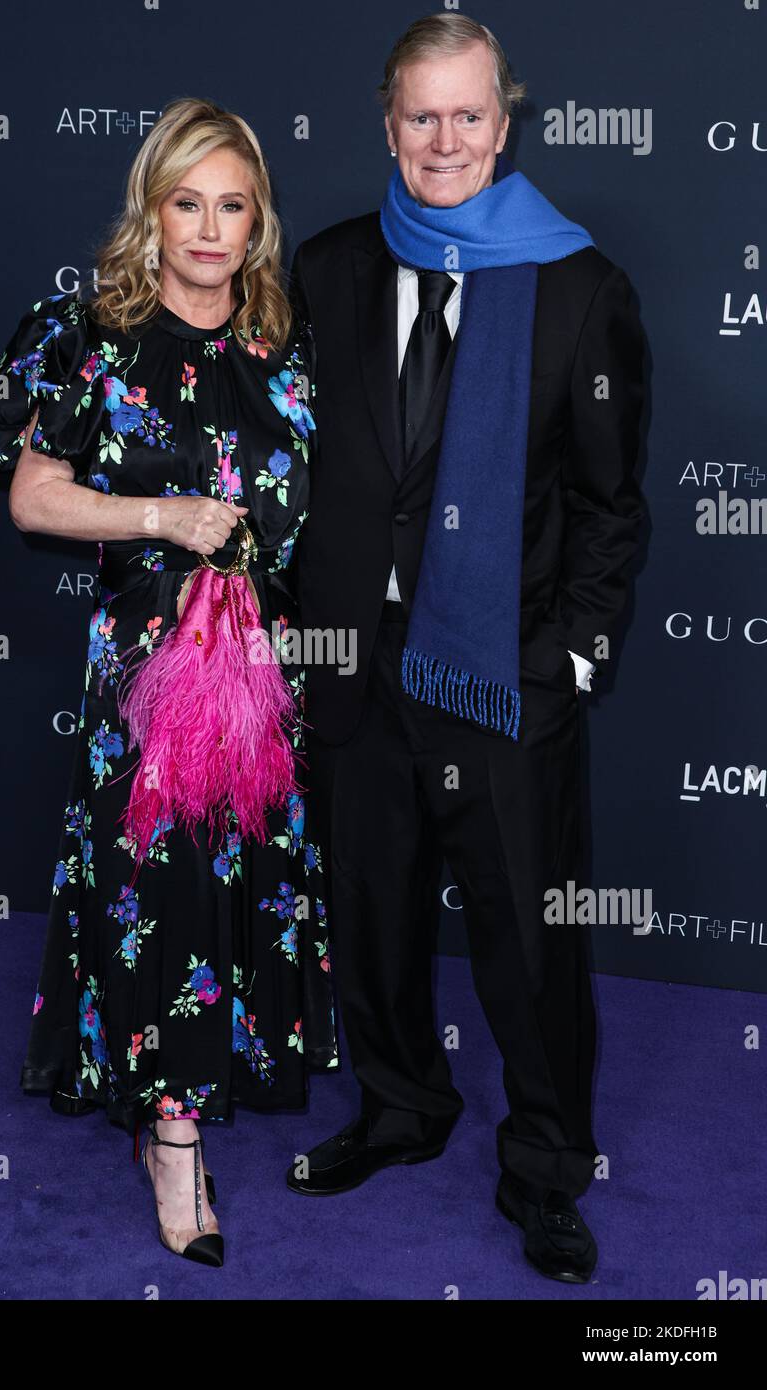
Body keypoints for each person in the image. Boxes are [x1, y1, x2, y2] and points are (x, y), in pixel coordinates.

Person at [286, 13, 646, 1285]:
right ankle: (399, 1105)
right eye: (420, 116)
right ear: (388, 126)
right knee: (369, 911)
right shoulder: (319, 273)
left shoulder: (579, 287)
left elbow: (610, 505)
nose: (445, 140)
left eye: (469, 115)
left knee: (531, 943)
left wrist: (574, 658)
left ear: (507, 120)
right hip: (353, 664)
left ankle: (546, 1168)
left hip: (501, 669)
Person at [0, 97, 338, 1268]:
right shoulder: (90, 332)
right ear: (153, 204)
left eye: (232, 206)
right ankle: (173, 1143)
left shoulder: (288, 336)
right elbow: (34, 496)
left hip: (261, 662)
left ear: (257, 220)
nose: (209, 228)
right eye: (188, 202)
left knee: (238, 871)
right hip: (145, 664)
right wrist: (163, 517)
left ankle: (189, 1085)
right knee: (157, 883)